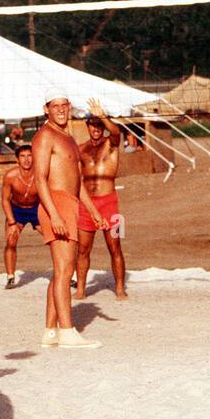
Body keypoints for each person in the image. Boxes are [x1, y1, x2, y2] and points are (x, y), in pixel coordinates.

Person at [32, 94, 108, 348]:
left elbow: (78, 182)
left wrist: (94, 212)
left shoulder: (68, 138)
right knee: (66, 271)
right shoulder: (45, 136)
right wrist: (53, 213)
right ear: (46, 109)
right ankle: (67, 331)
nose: (62, 110)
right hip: (56, 203)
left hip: (70, 203)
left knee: (61, 270)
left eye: (65, 105)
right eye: (56, 106)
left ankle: (50, 332)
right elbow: (40, 178)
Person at [76, 98, 127, 300]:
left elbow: (116, 132)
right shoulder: (81, 148)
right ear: (87, 126)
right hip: (86, 204)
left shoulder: (111, 144)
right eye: (93, 124)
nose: (96, 128)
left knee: (115, 247)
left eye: (99, 125)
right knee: (82, 249)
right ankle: (80, 289)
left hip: (109, 202)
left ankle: (120, 288)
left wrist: (103, 116)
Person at [1, 143, 40, 287]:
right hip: (17, 210)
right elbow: (5, 200)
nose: (26, 160)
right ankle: (10, 277)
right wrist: (11, 222)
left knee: (55, 239)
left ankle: (69, 275)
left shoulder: (40, 174)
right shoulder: (10, 176)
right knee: (11, 240)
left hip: (36, 208)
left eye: (30, 156)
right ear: (17, 159)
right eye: (22, 156)